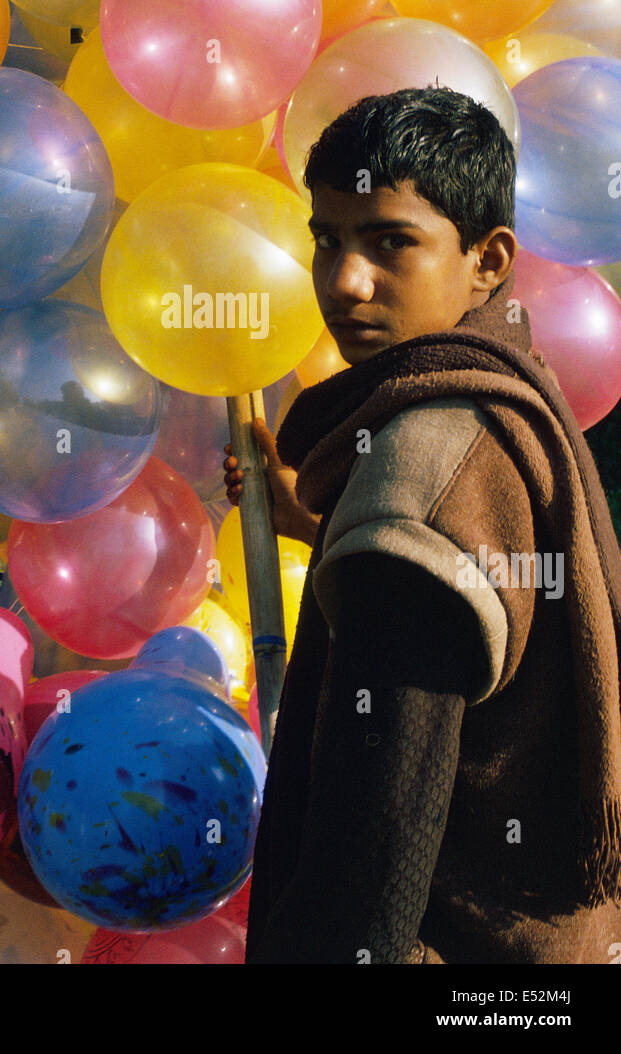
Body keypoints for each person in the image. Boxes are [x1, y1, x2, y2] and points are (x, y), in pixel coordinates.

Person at [223, 86, 621, 964]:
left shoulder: (419, 467)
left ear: (487, 259)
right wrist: (326, 529)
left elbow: (371, 857)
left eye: (389, 241)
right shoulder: (511, 387)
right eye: (326, 239)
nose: (344, 281)